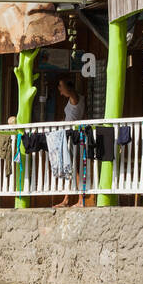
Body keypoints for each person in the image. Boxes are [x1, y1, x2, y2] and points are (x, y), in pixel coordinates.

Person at [56, 77, 84, 208]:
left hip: (72, 136)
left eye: (62, 89)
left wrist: (63, 83)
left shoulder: (75, 98)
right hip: (69, 135)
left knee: (74, 168)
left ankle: (80, 200)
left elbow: (70, 92)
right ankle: (67, 199)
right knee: (70, 168)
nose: (61, 93)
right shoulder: (76, 99)